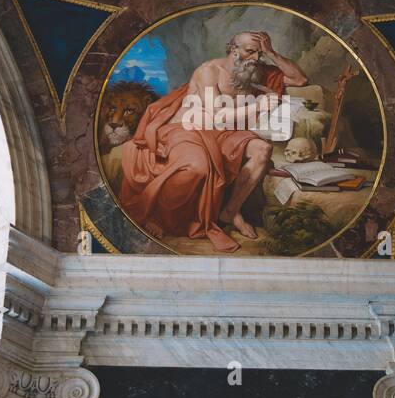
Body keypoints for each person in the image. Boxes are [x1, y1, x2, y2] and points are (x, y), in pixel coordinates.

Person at [117, 31, 308, 252]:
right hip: (188, 129)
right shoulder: (209, 71)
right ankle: (159, 217)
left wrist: (271, 53)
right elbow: (217, 114)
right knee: (197, 167)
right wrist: (259, 106)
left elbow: (300, 79)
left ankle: (230, 211)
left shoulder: (254, 72)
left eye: (259, 53)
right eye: (250, 51)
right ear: (234, 50)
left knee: (262, 150)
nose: (255, 58)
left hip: (224, 133)